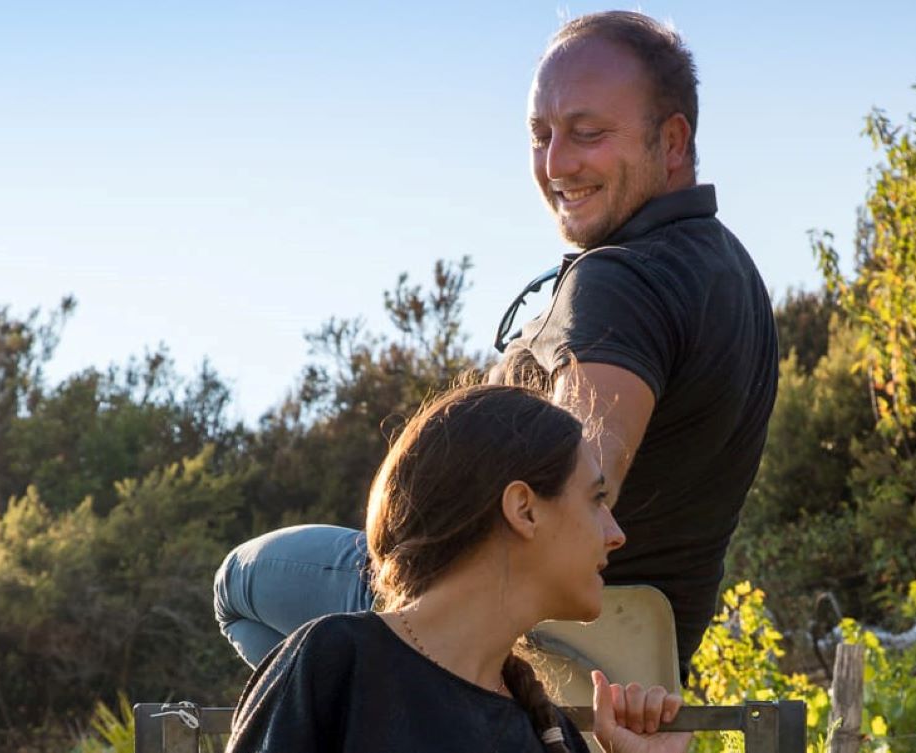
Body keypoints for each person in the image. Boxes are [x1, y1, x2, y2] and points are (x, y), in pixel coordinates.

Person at [214, 10, 778, 680]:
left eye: (587, 134)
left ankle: (406, 714)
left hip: (513, 639)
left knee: (241, 584)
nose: (556, 164)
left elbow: (567, 500)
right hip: (642, 662)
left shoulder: (619, 281)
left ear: (673, 140)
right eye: (540, 136)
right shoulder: (733, 275)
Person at [224, 384, 691, 753]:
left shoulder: (552, 735)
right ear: (524, 509)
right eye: (596, 500)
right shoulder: (335, 663)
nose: (615, 534)